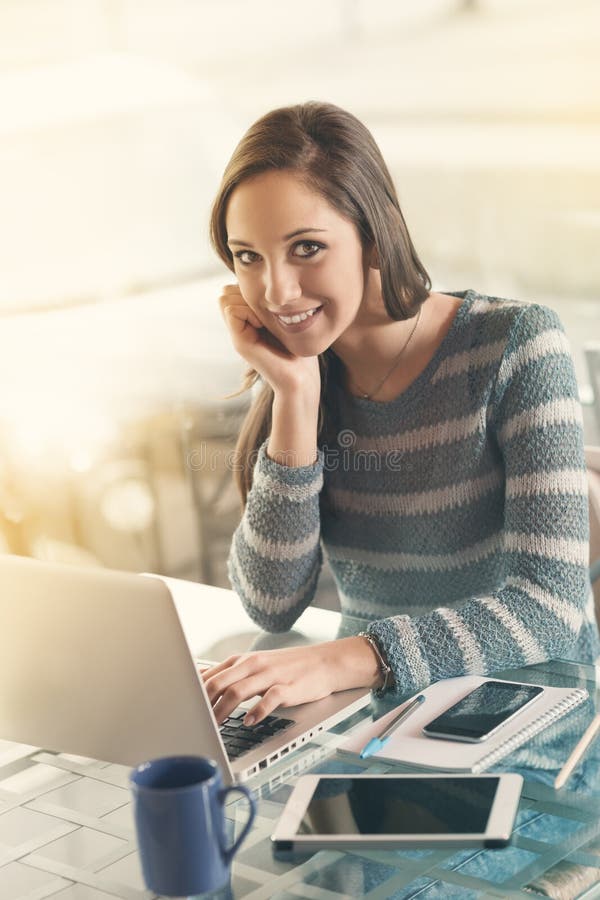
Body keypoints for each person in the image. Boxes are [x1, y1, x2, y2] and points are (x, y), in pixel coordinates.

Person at [202, 101, 599, 727]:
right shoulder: (302, 369)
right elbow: (270, 603)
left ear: (375, 231)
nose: (277, 292)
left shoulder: (516, 343)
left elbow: (548, 608)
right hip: (378, 725)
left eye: (306, 247)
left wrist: (344, 660)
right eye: (247, 256)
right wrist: (294, 398)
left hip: (529, 728)